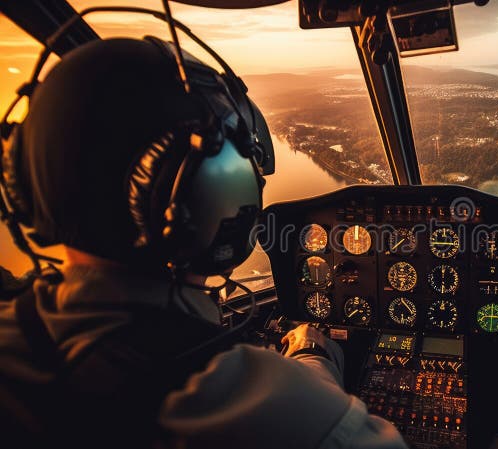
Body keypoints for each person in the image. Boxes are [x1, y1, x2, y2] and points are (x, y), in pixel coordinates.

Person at [0, 37, 407, 449]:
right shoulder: (275, 413)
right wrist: (314, 359)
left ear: (26, 191)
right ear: (215, 191)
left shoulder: (13, 337)